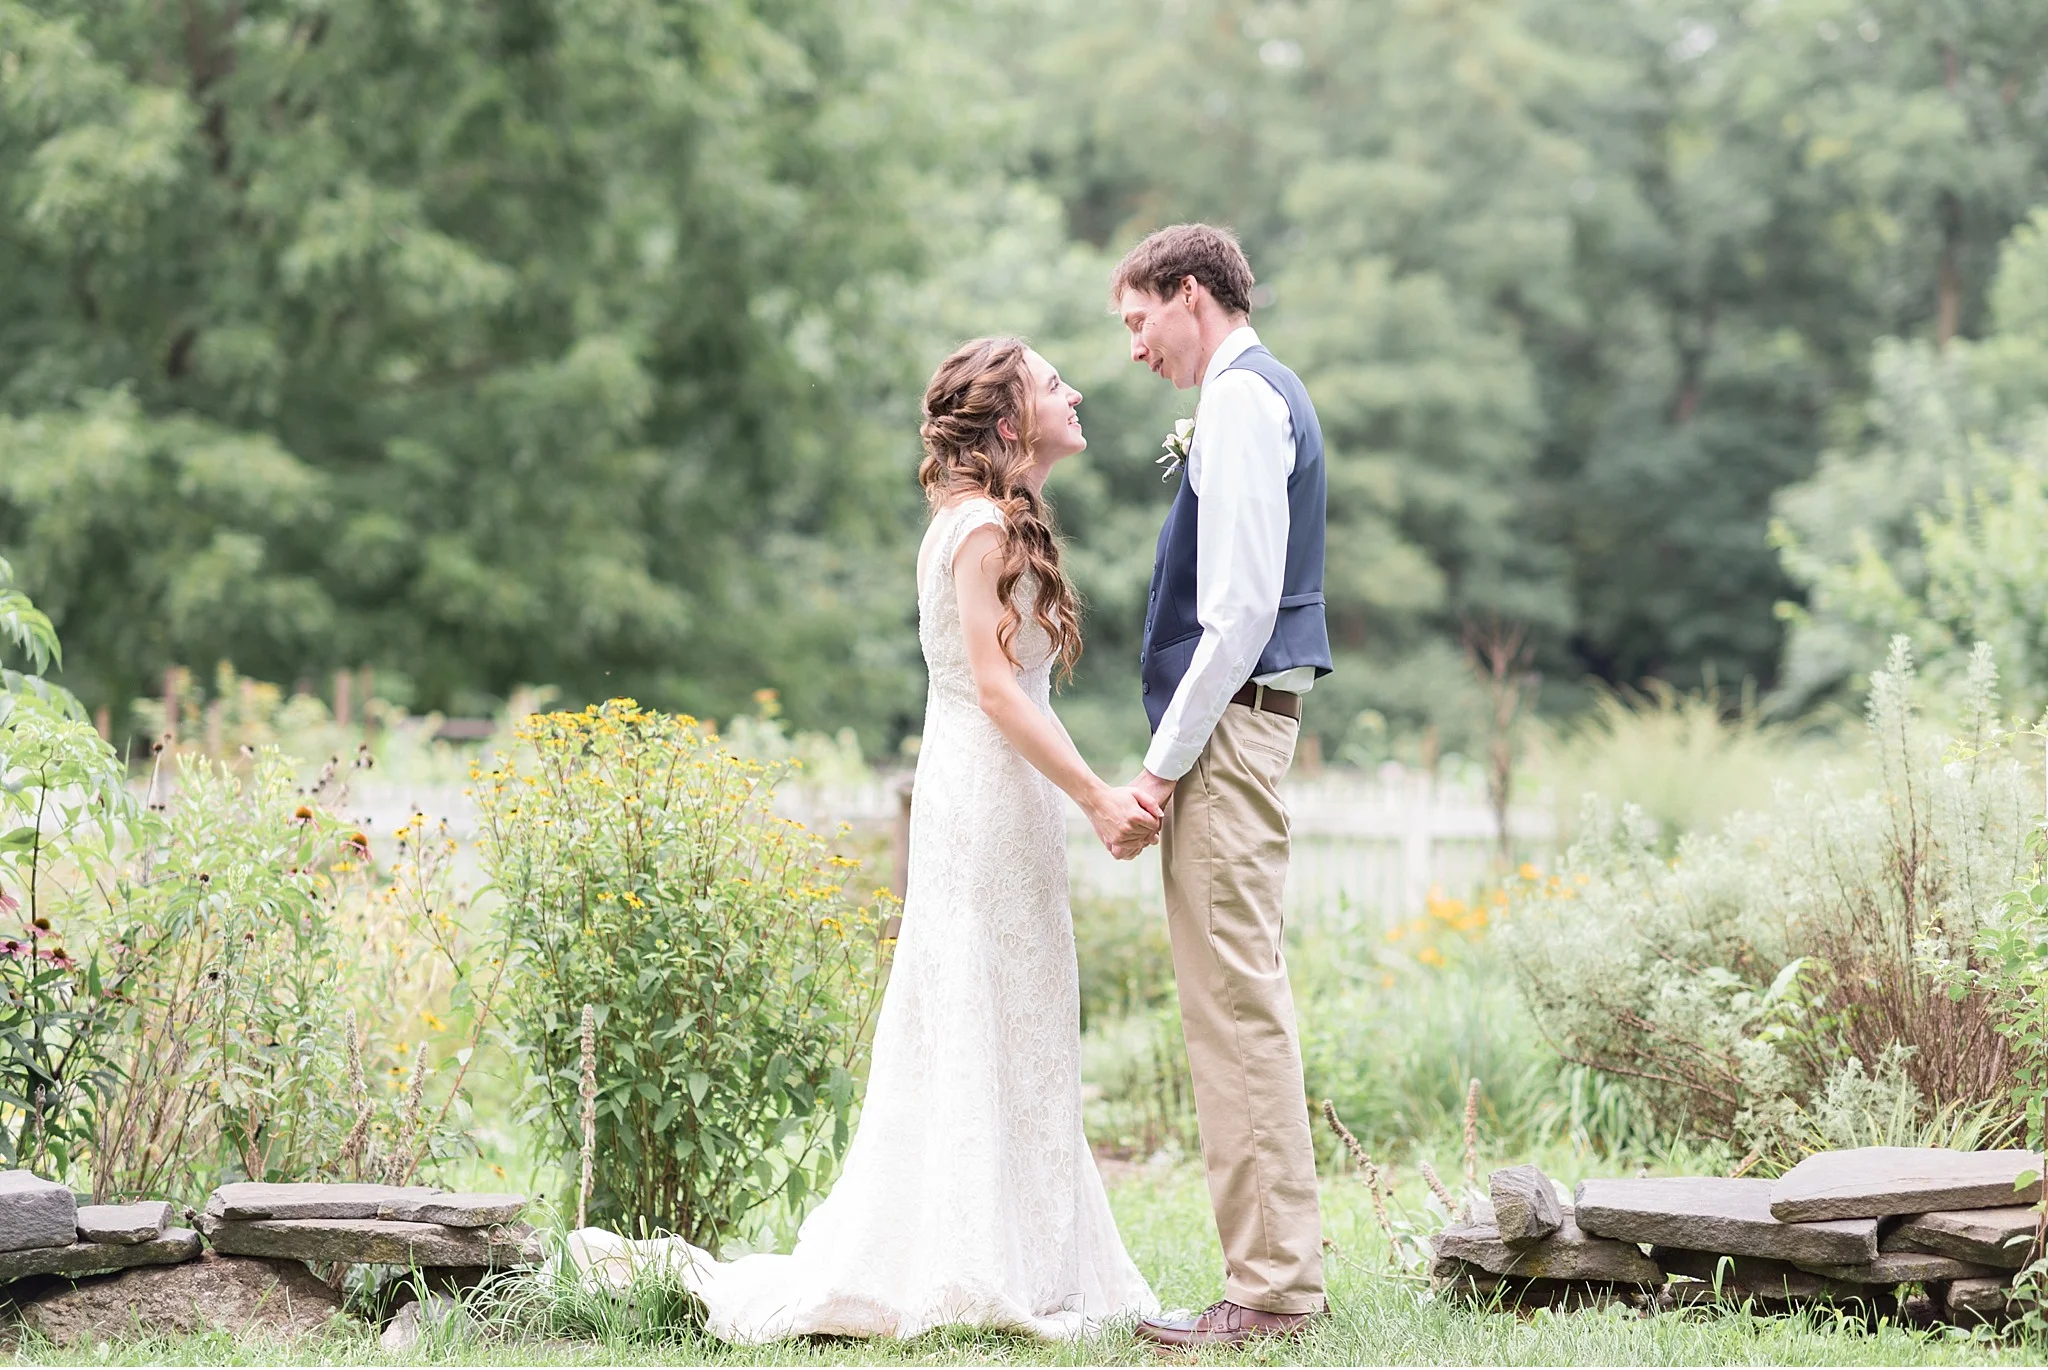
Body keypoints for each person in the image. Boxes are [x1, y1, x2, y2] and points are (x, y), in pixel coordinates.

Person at [571, 337, 1162, 1342]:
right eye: (1053, 381)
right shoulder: (979, 527)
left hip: (982, 792)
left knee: (1001, 1002)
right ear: (1012, 421)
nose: (1075, 391)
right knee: (985, 997)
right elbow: (992, 687)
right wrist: (1098, 797)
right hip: (984, 792)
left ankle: (1025, 1244)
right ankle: (974, 1257)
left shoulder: (974, 518)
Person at [1114, 223, 1333, 1348]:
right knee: (1237, 998)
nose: (1134, 344)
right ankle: (1276, 1274)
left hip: (1228, 736)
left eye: (1137, 317)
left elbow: (1239, 609)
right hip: (1244, 731)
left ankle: (1270, 1290)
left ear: (1187, 293)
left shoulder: (1244, 401)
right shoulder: (1256, 393)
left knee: (1233, 1007)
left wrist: (1156, 770)